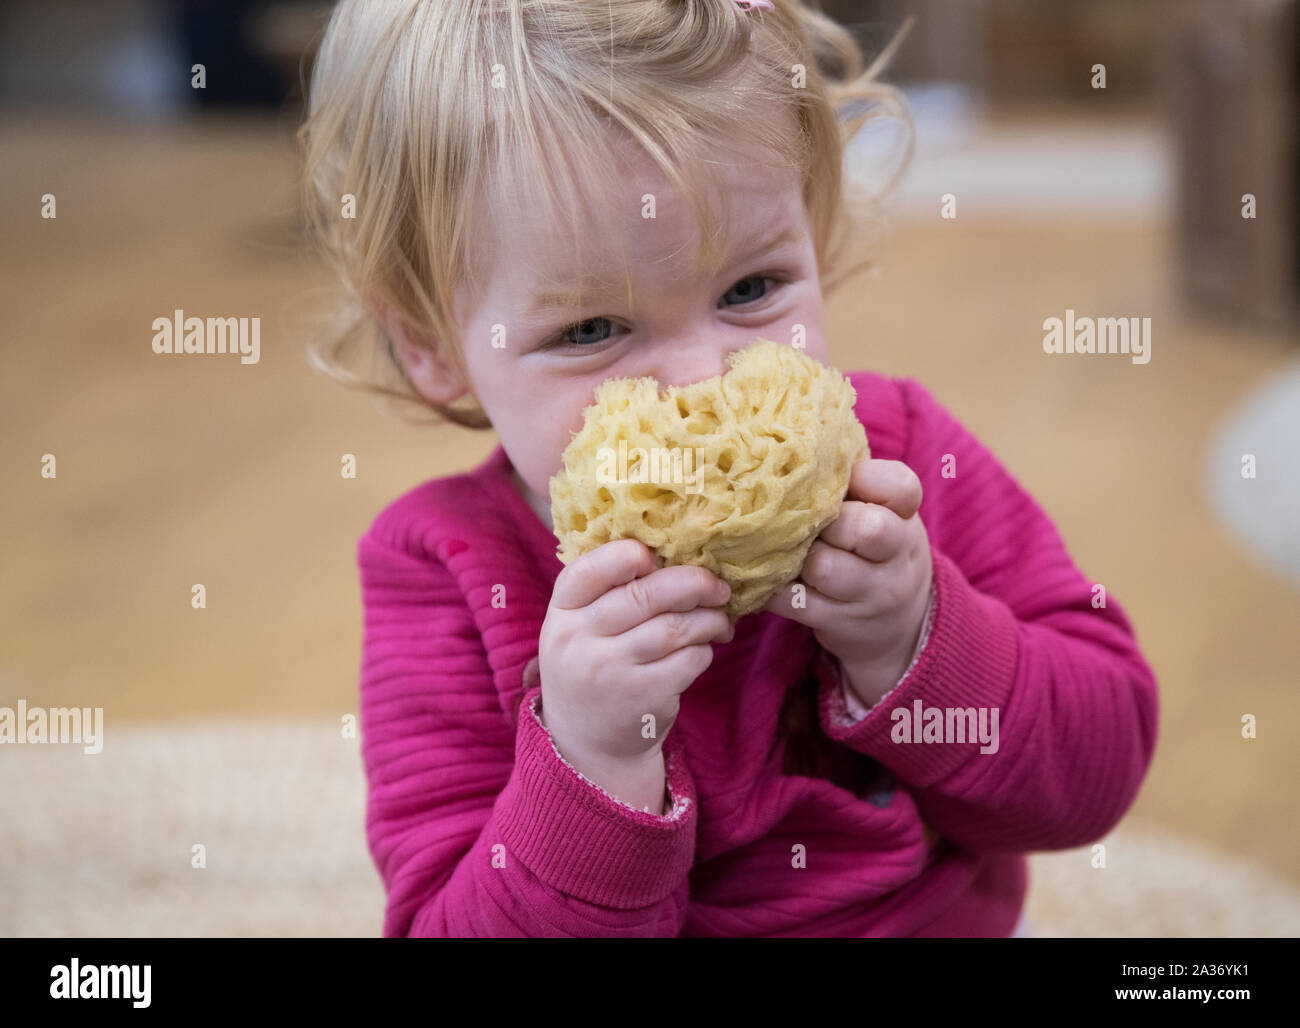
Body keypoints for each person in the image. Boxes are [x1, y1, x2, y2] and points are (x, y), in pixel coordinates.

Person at [299, 0, 1158, 937]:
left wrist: (912, 640)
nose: (702, 381)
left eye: (750, 289)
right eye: (591, 329)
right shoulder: (445, 569)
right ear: (430, 344)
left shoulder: (899, 458)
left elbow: (1096, 773)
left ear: (814, 232)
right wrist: (591, 762)